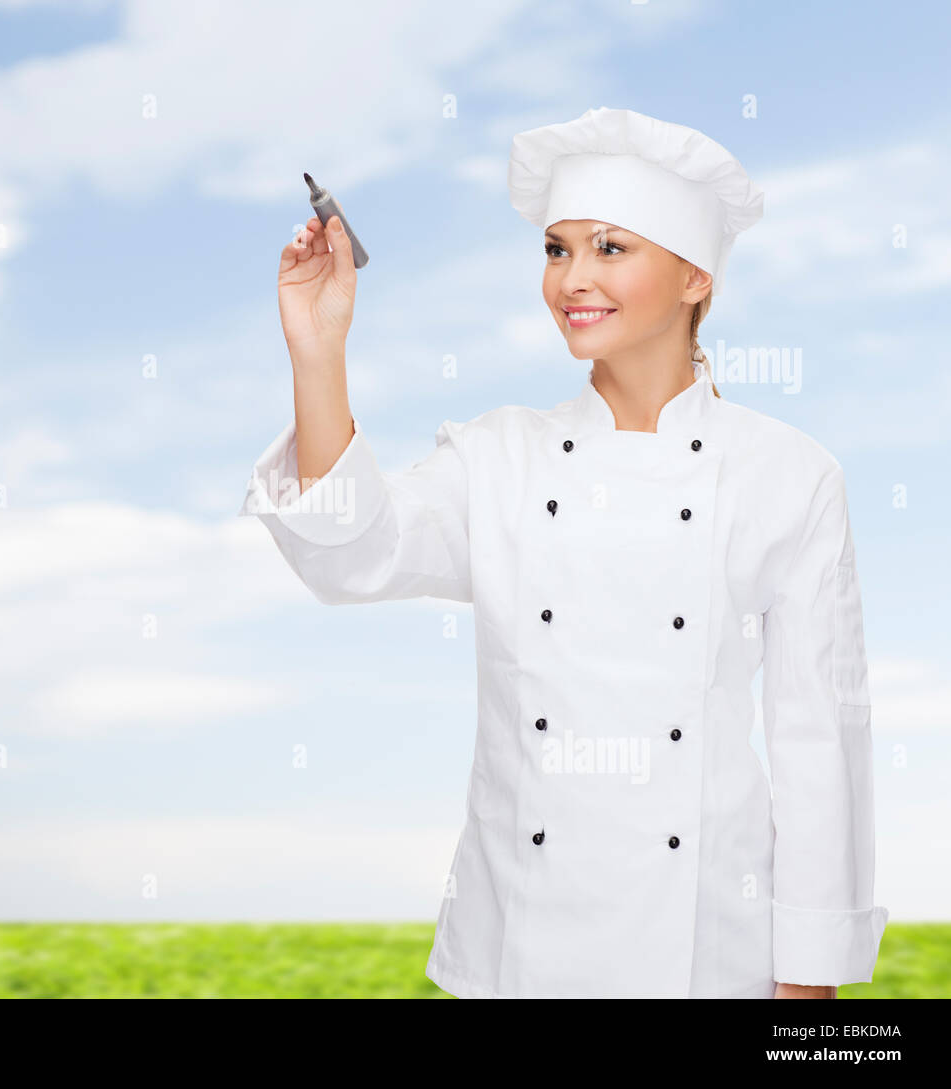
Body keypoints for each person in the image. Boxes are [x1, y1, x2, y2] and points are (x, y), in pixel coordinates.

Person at [238, 107, 887, 999]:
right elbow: (351, 556)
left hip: (710, 952)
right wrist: (319, 353)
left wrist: (810, 981)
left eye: (611, 248)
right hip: (521, 954)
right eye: (556, 249)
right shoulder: (499, 457)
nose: (572, 279)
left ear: (696, 274)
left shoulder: (789, 475)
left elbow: (822, 741)